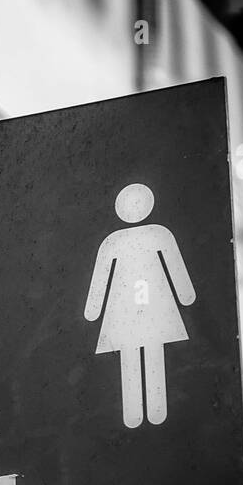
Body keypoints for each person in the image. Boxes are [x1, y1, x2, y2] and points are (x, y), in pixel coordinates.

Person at [83, 183, 195, 428]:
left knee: (145, 352)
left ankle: (153, 410)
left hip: (140, 306)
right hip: (130, 309)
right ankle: (138, 413)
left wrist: (93, 310)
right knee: (134, 355)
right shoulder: (123, 240)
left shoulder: (154, 235)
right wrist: (186, 295)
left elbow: (175, 267)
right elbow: (101, 276)